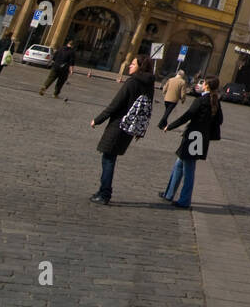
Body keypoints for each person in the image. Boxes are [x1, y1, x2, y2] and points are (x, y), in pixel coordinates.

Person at [88, 54, 155, 205]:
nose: (130, 66)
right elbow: (147, 110)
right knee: (110, 157)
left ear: (140, 66)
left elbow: (115, 105)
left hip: (118, 125)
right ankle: (103, 191)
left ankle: (104, 193)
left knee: (108, 159)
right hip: (131, 127)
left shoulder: (132, 82)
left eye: (133, 64)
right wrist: (140, 130)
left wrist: (97, 120)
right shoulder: (149, 84)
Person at [161, 77, 223, 209]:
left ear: (206, 86)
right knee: (179, 165)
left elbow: (187, 116)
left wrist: (170, 126)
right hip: (201, 138)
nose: (201, 85)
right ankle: (169, 194)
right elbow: (220, 120)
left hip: (193, 137)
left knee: (189, 169)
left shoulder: (201, 100)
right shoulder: (215, 101)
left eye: (203, 83)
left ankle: (184, 201)